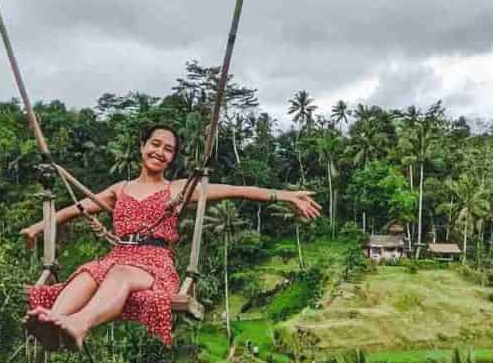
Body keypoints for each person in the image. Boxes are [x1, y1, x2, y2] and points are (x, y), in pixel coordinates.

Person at [21, 125, 320, 351]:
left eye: (168, 149)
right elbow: (76, 209)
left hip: (154, 263)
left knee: (118, 275)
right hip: (118, 257)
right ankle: (50, 320)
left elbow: (235, 190)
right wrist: (37, 227)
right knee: (88, 272)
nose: (160, 152)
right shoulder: (120, 189)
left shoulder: (177, 189)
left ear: (172, 158)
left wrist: (284, 196)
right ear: (142, 147)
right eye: (155, 144)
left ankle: (79, 324)